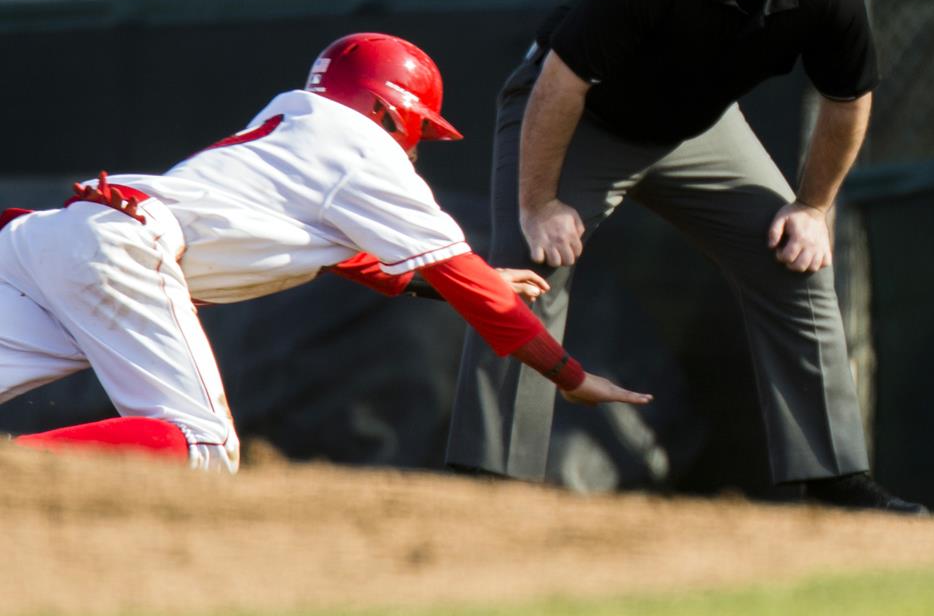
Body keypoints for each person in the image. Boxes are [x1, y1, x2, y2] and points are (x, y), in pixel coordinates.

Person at [447, 0, 923, 514]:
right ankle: (492, 480)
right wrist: (538, 203)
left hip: (694, 129)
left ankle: (833, 478)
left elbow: (849, 102)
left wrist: (814, 207)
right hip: (581, 116)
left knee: (793, 254)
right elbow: (561, 82)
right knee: (530, 263)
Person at [0, 33, 650, 472]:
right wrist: (569, 375)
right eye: (419, 129)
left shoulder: (295, 127)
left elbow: (349, 255)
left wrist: (448, 282)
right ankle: (21, 471)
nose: (415, 147)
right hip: (120, 252)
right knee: (204, 447)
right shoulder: (366, 151)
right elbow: (466, 280)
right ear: (390, 112)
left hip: (54, 237)